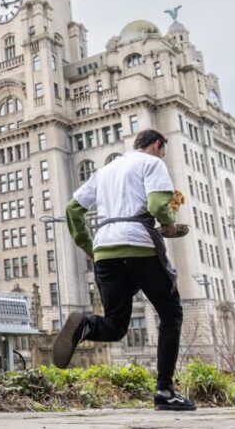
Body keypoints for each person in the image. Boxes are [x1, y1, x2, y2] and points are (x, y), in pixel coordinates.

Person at [55, 129, 196, 412]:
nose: (162, 156)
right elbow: (157, 204)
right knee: (171, 315)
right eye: (163, 151)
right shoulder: (152, 163)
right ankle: (165, 391)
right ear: (157, 145)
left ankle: (85, 325)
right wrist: (168, 223)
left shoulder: (105, 171)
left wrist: (87, 246)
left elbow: (72, 209)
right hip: (139, 244)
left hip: (105, 248)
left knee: (116, 324)